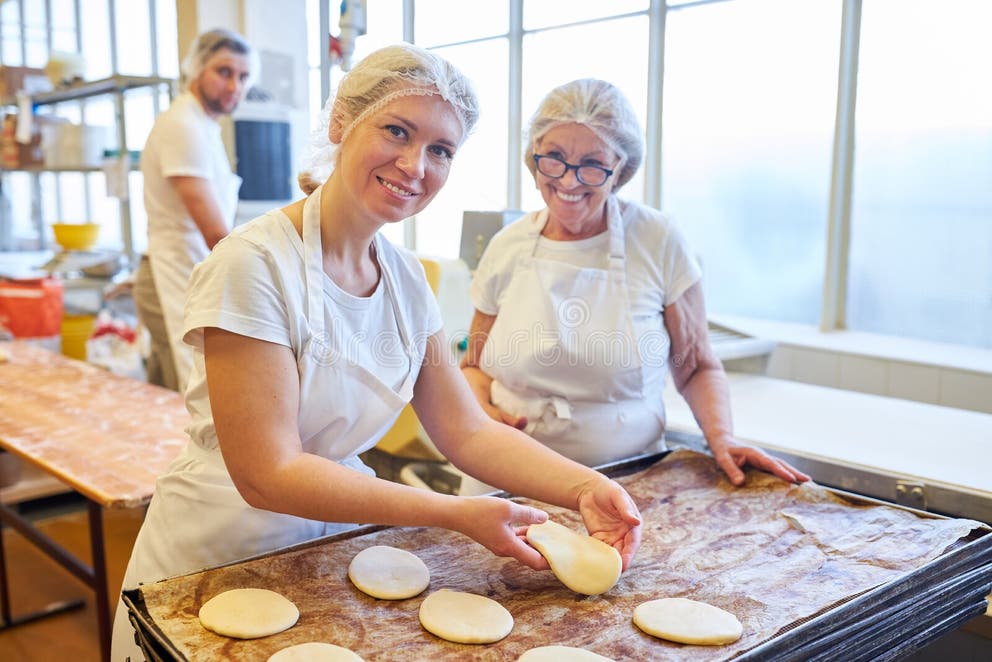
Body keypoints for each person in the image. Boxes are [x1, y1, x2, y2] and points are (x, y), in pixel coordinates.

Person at [111, 46, 642, 660]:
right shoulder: (253, 265)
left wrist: (582, 488)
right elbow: (268, 472)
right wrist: (455, 512)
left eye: (441, 150)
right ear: (342, 123)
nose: (416, 165)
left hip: (333, 552)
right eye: (397, 130)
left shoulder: (406, 280)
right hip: (217, 555)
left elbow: (465, 430)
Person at [460, 78, 810, 487]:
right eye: (553, 158)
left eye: (592, 164)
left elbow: (695, 365)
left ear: (620, 170)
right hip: (507, 477)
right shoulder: (508, 245)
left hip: (627, 483)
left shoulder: (656, 239)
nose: (570, 182)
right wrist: (483, 411)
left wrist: (722, 438)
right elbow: (473, 368)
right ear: (532, 158)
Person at [134, 28, 257, 392]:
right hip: (169, 270)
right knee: (188, 394)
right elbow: (214, 232)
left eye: (244, 76)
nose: (235, 85)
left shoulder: (203, 126)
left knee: (179, 392)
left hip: (189, 270)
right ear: (196, 69)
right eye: (224, 72)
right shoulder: (182, 125)